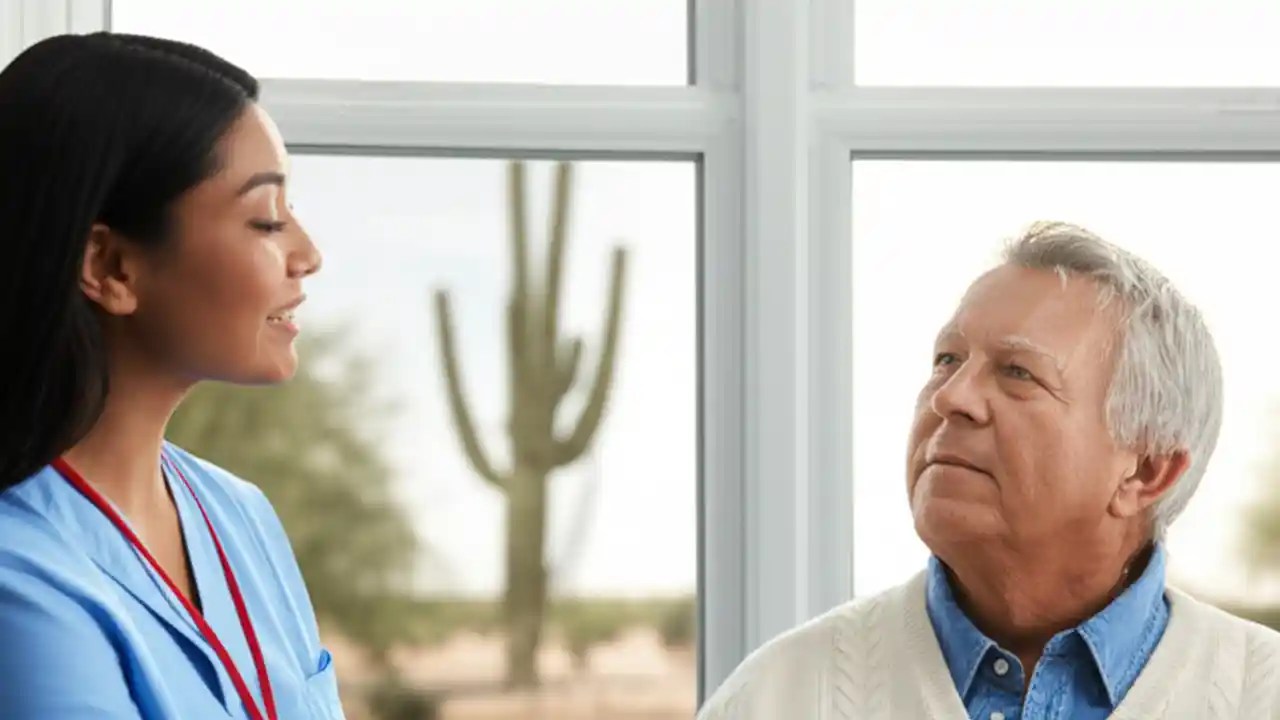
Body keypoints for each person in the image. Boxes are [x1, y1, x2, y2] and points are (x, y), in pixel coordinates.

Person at [699, 222, 1280, 719]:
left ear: (1146, 472)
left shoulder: (1261, 694)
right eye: (947, 360)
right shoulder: (780, 695)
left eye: (1018, 373)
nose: (951, 397)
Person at [0, 33, 341, 719]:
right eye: (267, 220)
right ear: (110, 267)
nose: (308, 254)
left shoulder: (240, 515)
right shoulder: (18, 585)